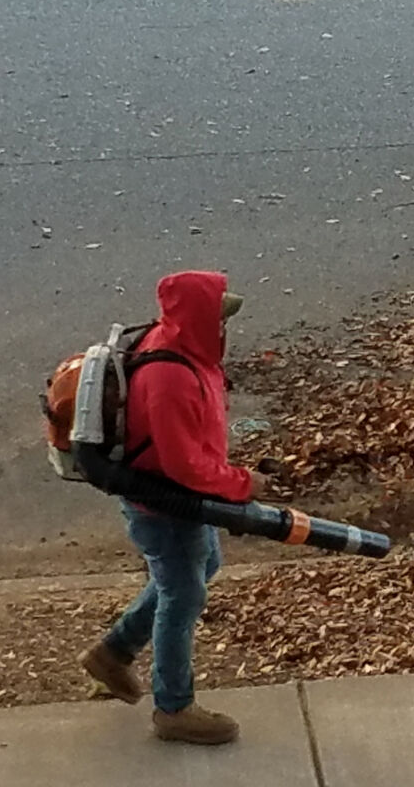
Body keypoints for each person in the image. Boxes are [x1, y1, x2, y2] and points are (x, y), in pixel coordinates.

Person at [78, 270, 269, 746]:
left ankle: (114, 651)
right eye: (220, 314)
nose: (225, 324)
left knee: (199, 569)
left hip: (176, 500)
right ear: (199, 317)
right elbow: (185, 466)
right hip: (163, 506)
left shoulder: (185, 350)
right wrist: (244, 484)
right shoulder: (169, 376)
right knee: (182, 593)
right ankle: (174, 708)